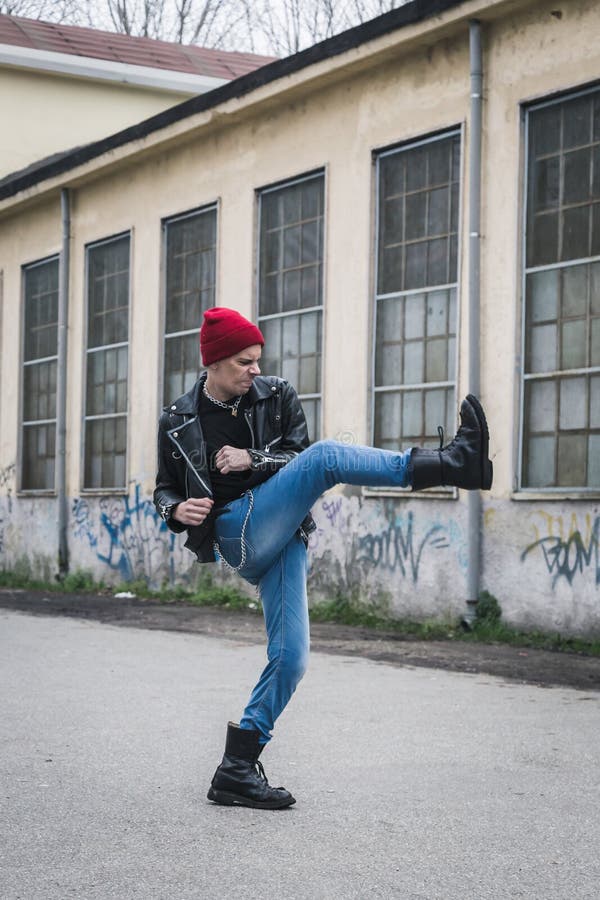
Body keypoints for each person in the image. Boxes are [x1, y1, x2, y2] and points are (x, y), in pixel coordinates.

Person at [154, 306, 493, 810]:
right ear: (215, 362)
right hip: (235, 530)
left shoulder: (277, 395)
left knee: (291, 658)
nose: (255, 370)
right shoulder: (179, 419)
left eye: (258, 359)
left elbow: (295, 459)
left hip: (284, 530)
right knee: (329, 457)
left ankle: (236, 770)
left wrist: (253, 459)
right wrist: (176, 509)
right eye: (244, 362)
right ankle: (449, 464)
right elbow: (163, 488)